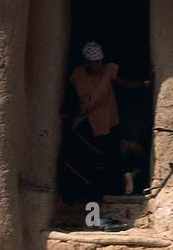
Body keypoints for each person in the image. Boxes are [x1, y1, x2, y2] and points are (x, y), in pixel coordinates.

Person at [63, 40, 150, 231]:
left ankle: (97, 208)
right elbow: (72, 97)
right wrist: (71, 117)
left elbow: (124, 83)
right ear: (87, 62)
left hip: (106, 124)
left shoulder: (109, 70)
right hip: (84, 125)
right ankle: (85, 208)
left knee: (103, 166)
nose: (98, 65)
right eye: (94, 62)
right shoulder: (77, 74)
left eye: (100, 61)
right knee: (82, 167)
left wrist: (144, 83)